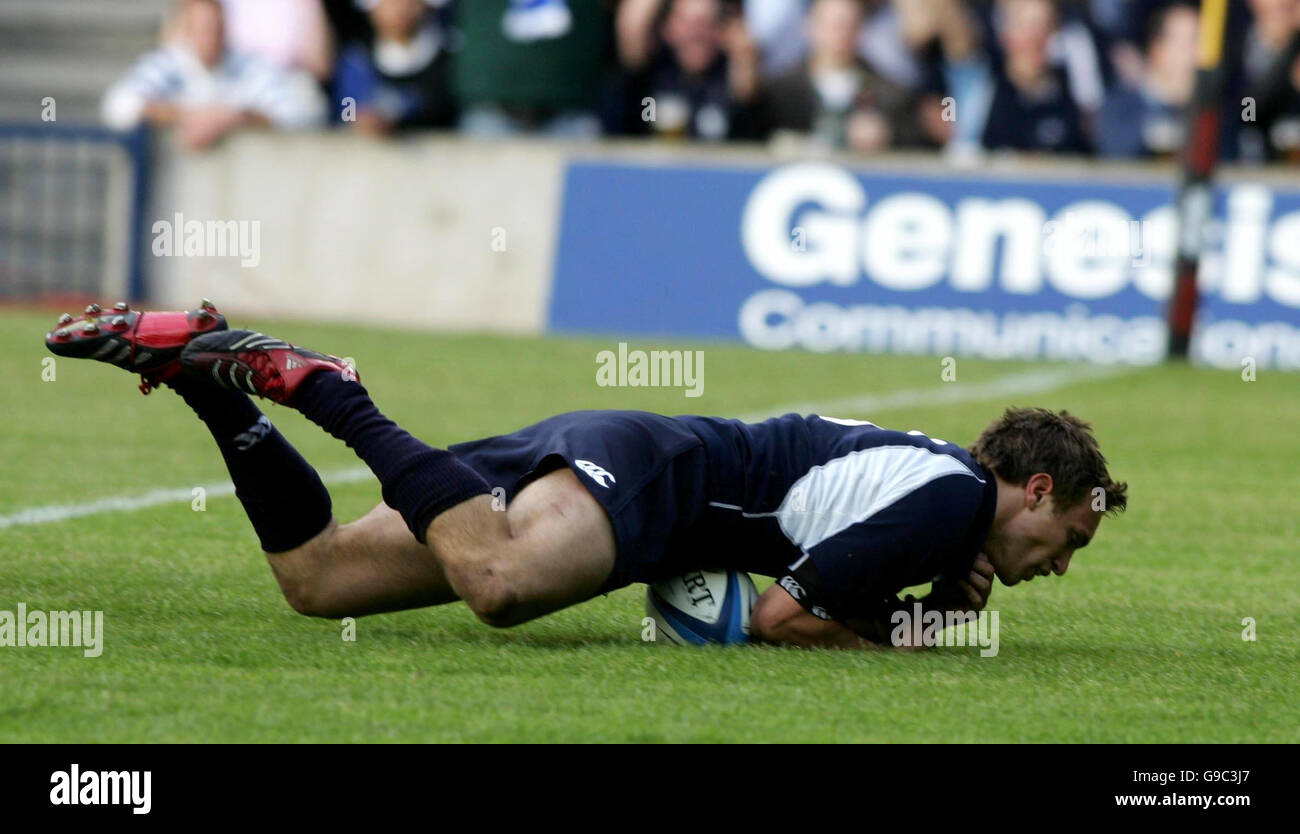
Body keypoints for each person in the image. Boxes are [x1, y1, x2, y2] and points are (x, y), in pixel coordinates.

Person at [43, 300, 1127, 650]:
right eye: (1071, 538)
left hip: (630, 462)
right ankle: (325, 388)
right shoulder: (945, 501)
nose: (1061, 566)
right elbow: (786, 618)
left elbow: (834, 573)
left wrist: (939, 595)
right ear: (1036, 492)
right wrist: (932, 628)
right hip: (651, 480)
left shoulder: (937, 500)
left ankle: (202, 376)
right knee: (499, 585)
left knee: (320, 581)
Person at [101, 0, 327, 149]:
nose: (210, 38)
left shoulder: (248, 68)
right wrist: (188, 116)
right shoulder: (167, 66)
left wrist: (232, 118)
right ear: (188, 30)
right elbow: (119, 106)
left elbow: (299, 115)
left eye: (215, 29)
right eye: (202, 30)